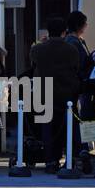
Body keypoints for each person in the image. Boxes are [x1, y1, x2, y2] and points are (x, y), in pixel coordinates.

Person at [29, 17, 81, 173]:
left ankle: (51, 160)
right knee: (68, 127)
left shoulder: (37, 49)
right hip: (67, 93)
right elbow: (76, 68)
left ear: (48, 32)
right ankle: (71, 158)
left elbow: (33, 65)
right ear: (64, 31)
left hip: (44, 93)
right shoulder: (72, 49)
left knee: (48, 128)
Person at [64, 11, 94, 172]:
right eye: (85, 23)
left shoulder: (72, 41)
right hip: (78, 86)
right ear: (79, 25)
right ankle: (82, 149)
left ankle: (80, 149)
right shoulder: (74, 42)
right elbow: (82, 63)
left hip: (73, 85)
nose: (86, 26)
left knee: (76, 118)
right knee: (78, 118)